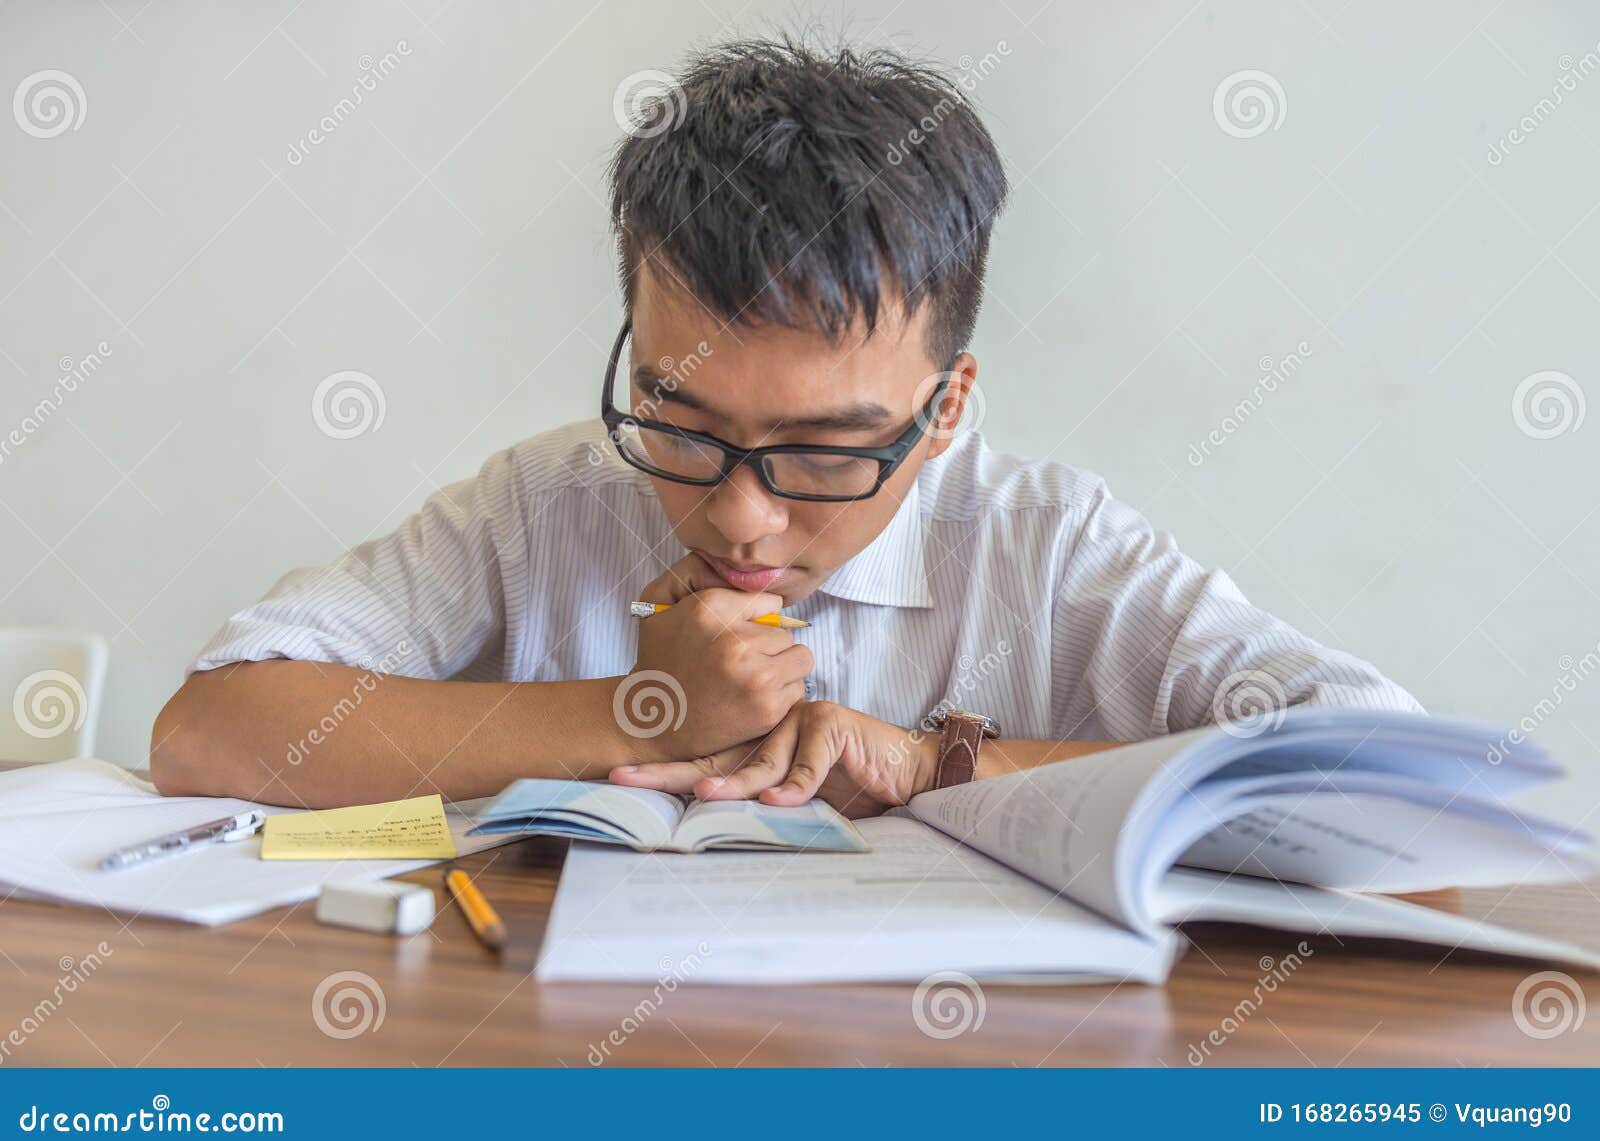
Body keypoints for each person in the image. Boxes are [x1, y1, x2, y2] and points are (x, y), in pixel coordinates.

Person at [150, 39, 1420, 813]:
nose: (742, 514)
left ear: (945, 410)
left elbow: (1396, 789)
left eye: (823, 452)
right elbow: (212, 730)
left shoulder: (1049, 550)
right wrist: (636, 710)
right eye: (680, 420)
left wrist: (939, 767)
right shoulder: (547, 503)